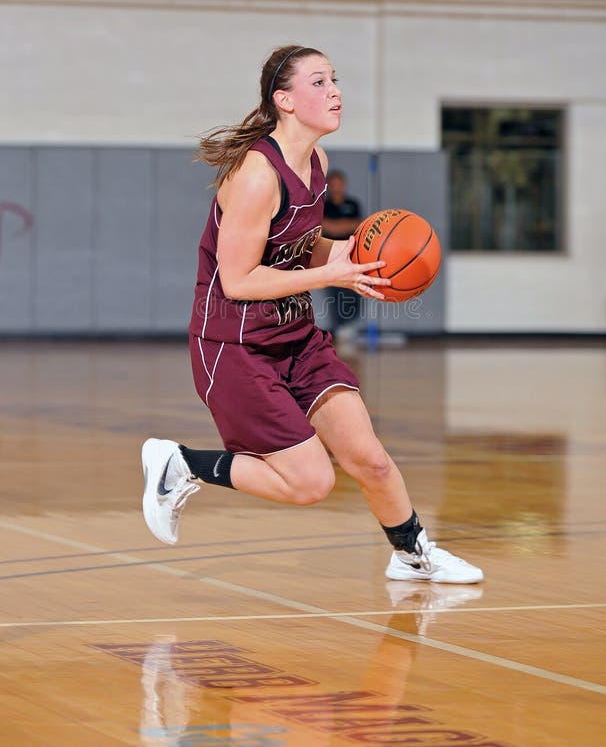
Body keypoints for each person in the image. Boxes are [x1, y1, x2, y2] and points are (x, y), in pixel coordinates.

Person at [141, 44, 483, 585]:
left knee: (367, 457)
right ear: (285, 101)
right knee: (310, 484)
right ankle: (181, 463)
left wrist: (350, 256)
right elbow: (239, 280)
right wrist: (330, 275)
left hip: (295, 334)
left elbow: (298, 245)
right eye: (319, 83)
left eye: (335, 80)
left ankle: (413, 555)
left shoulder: (316, 163)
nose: (335, 92)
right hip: (233, 347)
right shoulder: (255, 175)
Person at [322, 170, 363, 339]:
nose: (337, 187)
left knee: (353, 290)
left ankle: (351, 325)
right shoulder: (324, 205)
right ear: (329, 186)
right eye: (333, 183)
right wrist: (340, 226)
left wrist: (335, 226)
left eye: (340, 183)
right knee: (335, 292)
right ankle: (338, 327)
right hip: (330, 255)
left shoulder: (353, 204)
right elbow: (326, 227)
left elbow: (358, 225)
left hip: (351, 255)